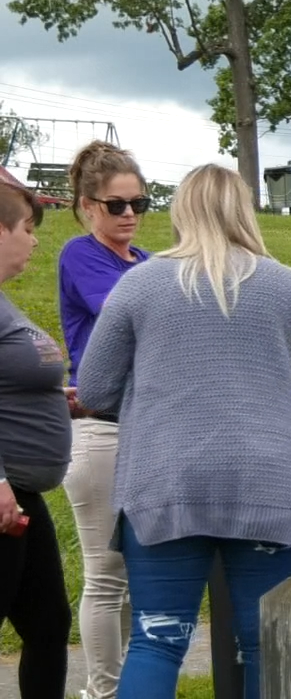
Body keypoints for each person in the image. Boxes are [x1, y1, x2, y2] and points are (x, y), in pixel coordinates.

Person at [75, 164, 291, 699]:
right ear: (244, 211)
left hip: (167, 482)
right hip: (267, 485)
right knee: (268, 645)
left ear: (179, 213)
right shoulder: (284, 284)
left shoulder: (138, 285)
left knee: (156, 643)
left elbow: (94, 390)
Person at [59, 140, 151, 699]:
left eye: (139, 204)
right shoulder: (80, 254)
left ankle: (132, 687)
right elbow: (129, 313)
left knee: (142, 577)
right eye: (116, 205)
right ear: (88, 205)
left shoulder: (144, 264)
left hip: (143, 431)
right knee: (106, 575)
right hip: (99, 431)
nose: (129, 216)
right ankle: (102, 692)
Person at [0, 184, 73, 699]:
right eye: (27, 228)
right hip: (4, 495)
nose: (35, 242)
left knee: (48, 624)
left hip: (24, 495)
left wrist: (59, 398)